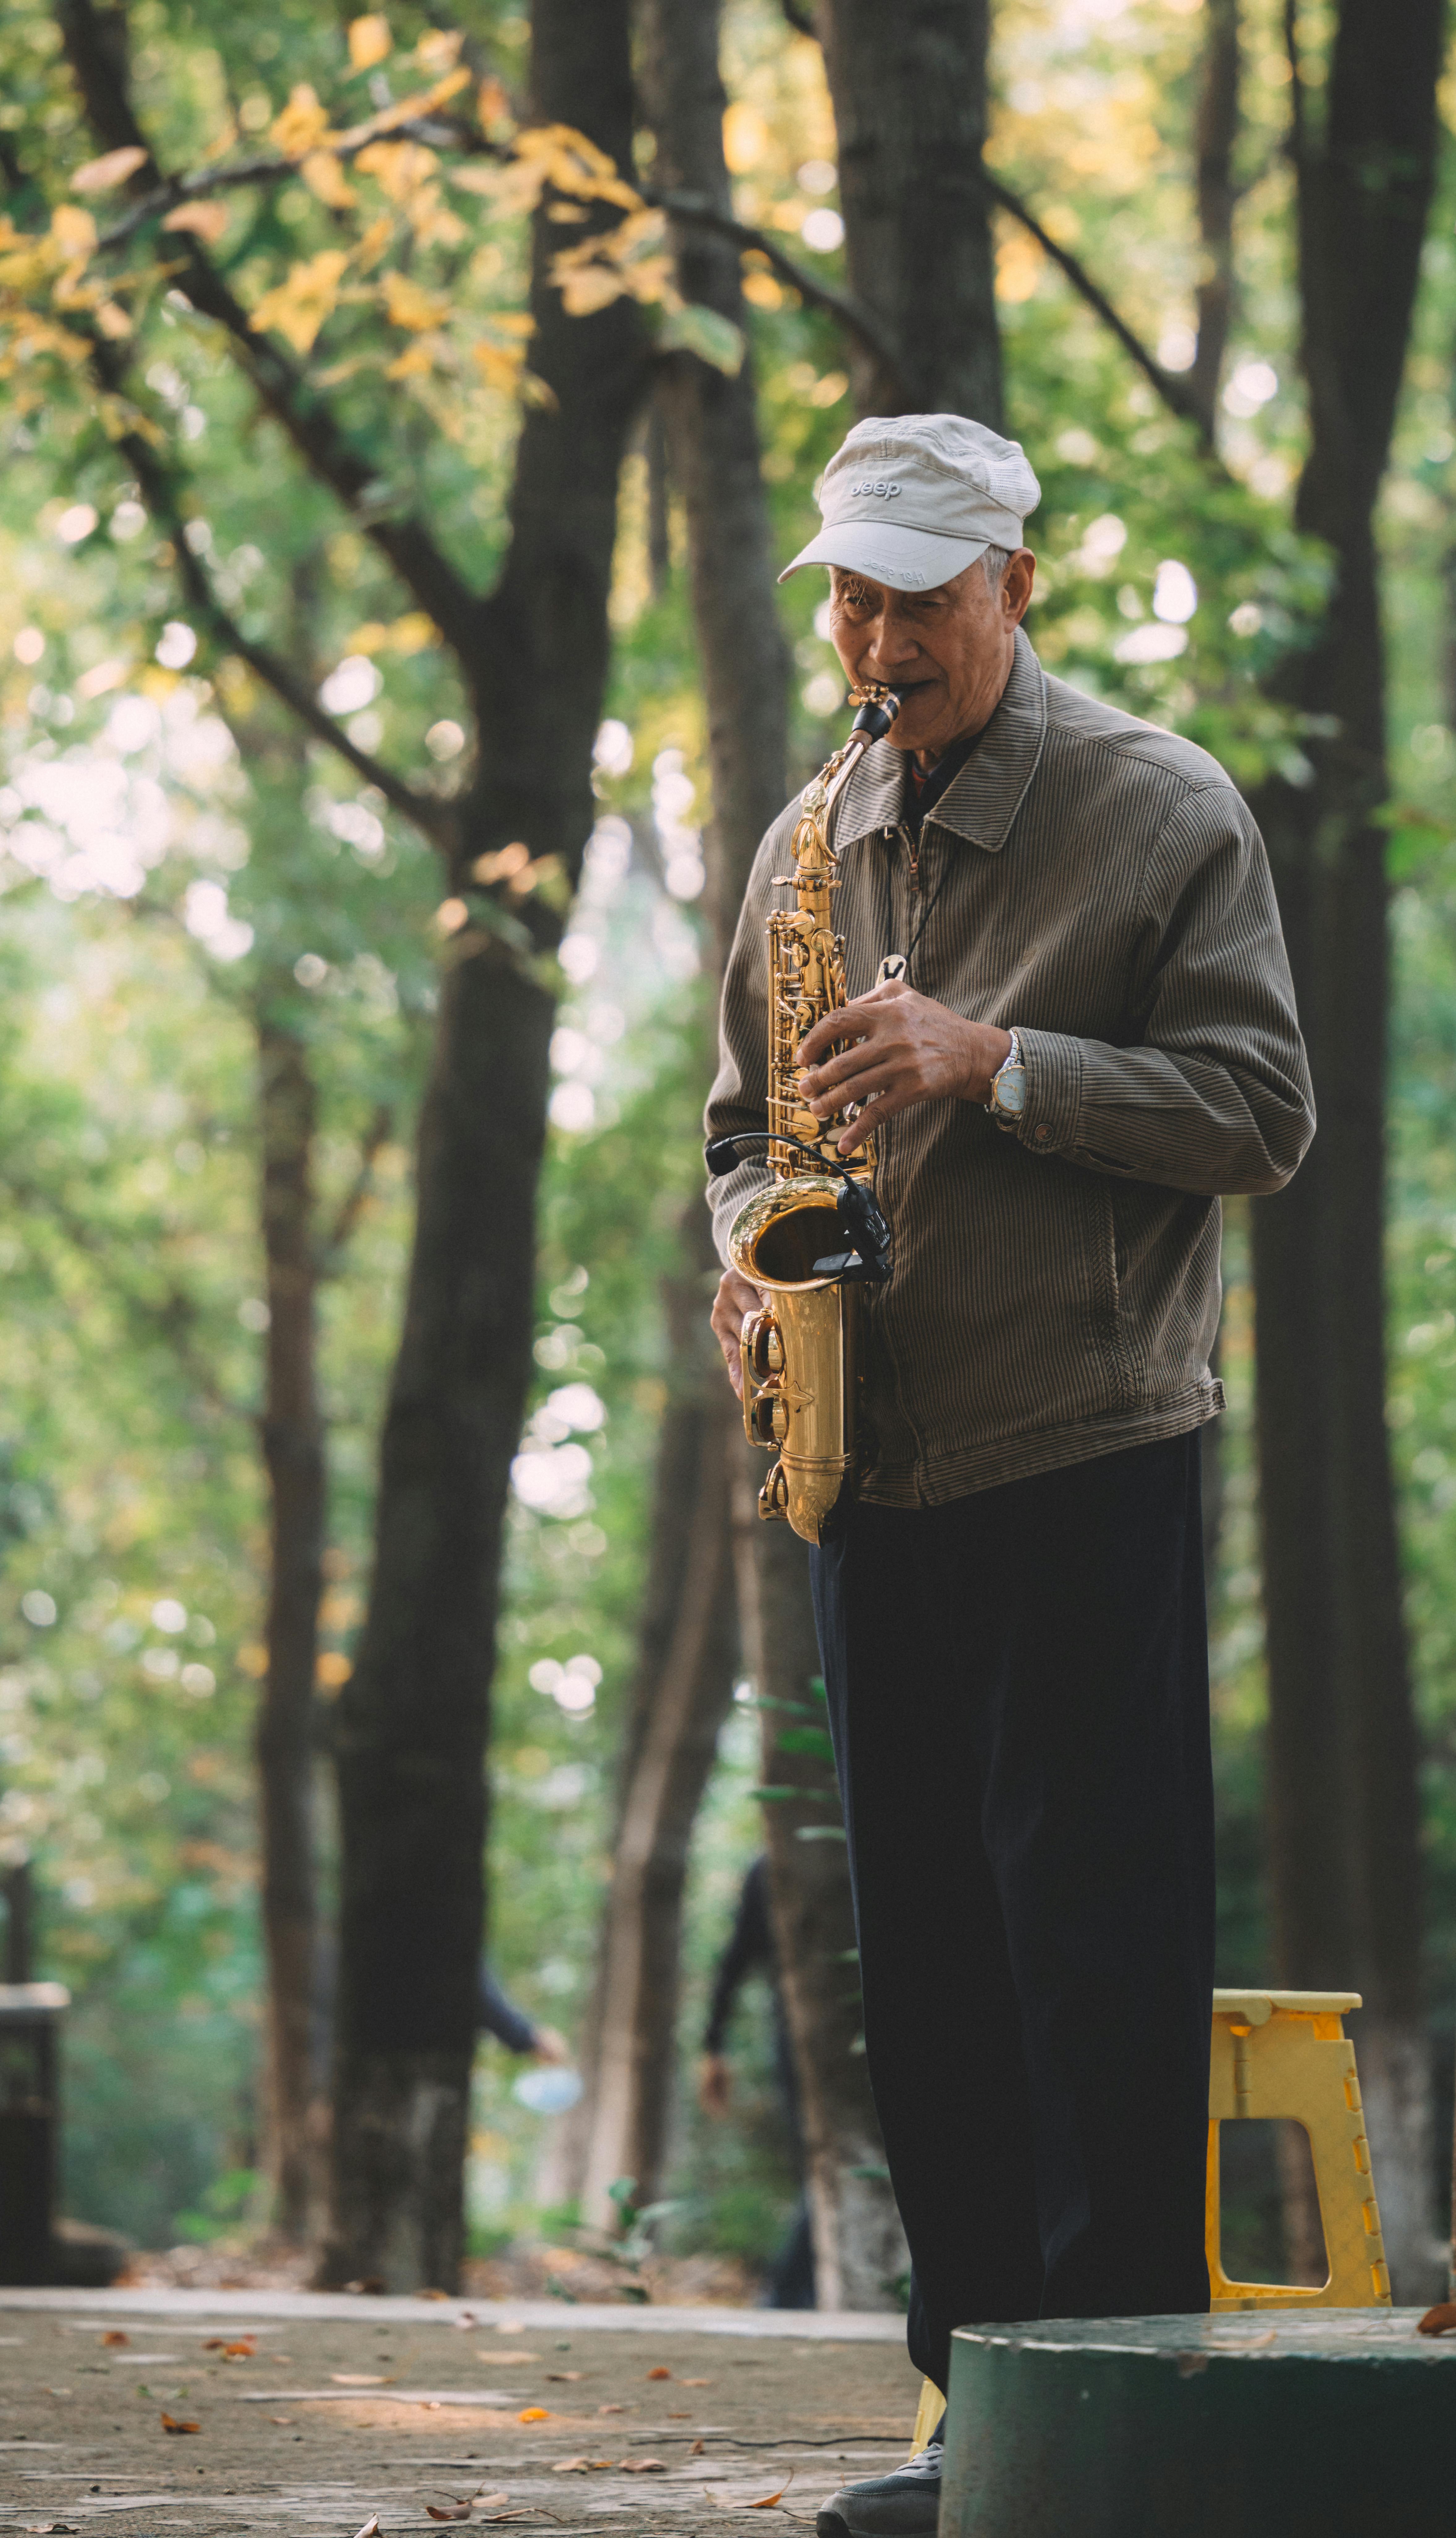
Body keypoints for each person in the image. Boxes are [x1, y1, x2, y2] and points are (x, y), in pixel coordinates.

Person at [704, 413, 1314, 2538]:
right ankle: (979, 2409)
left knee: (1090, 1940)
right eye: (849, 597)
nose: (875, 638)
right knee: (935, 1961)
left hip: (1082, 1444)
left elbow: (1259, 1109)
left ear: (1013, 588)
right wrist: (748, 1266)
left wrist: (994, 1059)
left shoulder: (1158, 808)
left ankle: (1116, 2401)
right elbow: (735, 1130)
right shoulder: (812, 835)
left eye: (914, 596)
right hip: (876, 1460)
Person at [698, 1855, 815, 2309]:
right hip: (801, 2041)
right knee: (820, 2169)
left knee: (827, 2170)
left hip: (807, 2041)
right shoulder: (772, 1868)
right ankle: (789, 2295)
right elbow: (735, 1958)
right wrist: (713, 2047)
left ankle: (792, 2293)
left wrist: (713, 2045)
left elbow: (733, 1960)